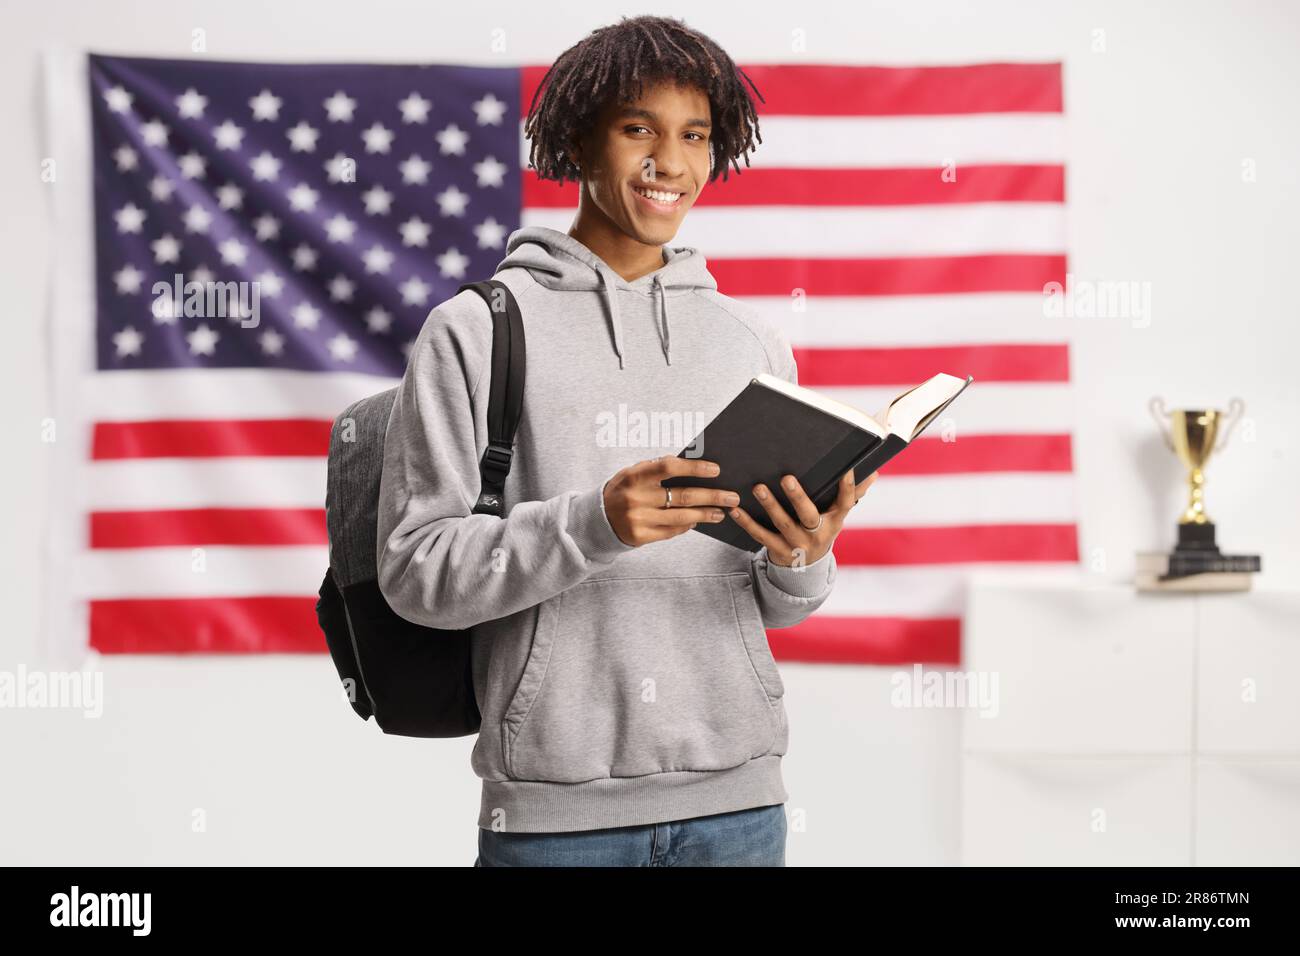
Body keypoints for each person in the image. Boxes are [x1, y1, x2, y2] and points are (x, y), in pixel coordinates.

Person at [376, 14, 877, 867]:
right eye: (637, 128)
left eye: (694, 136)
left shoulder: (749, 341)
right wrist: (593, 524)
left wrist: (802, 556)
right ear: (578, 138)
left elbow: (779, 603)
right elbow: (416, 571)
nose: (668, 163)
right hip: (551, 822)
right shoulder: (475, 331)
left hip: (741, 807)